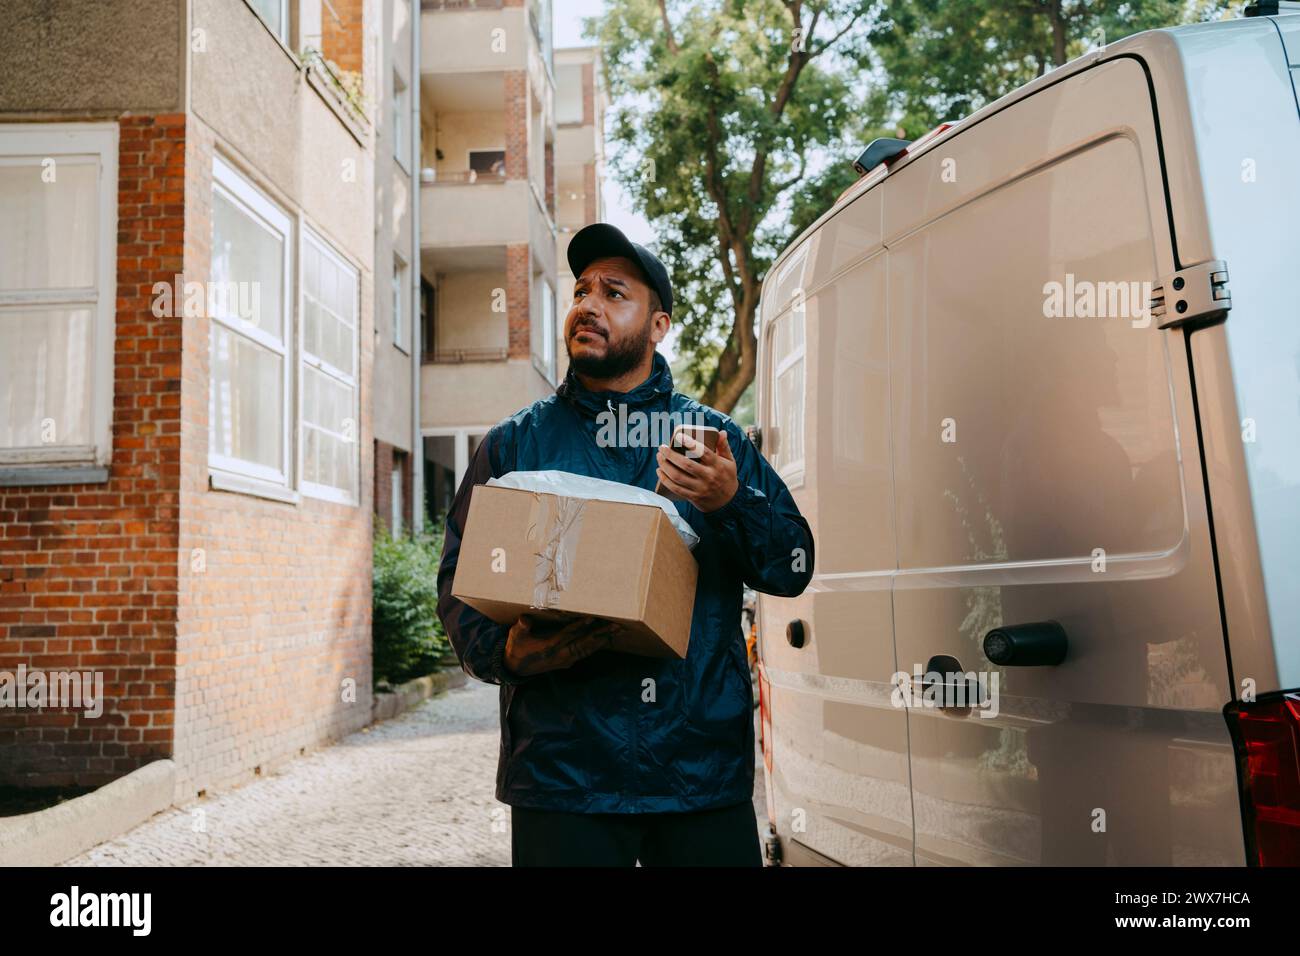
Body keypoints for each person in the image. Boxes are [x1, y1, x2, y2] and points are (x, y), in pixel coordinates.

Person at [435, 222, 815, 866]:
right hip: (562, 778)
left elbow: (792, 566)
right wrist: (505, 652)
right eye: (581, 290)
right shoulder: (512, 444)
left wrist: (731, 502)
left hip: (697, 771)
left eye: (614, 293)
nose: (588, 304)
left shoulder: (713, 441)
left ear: (659, 325)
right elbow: (458, 581)